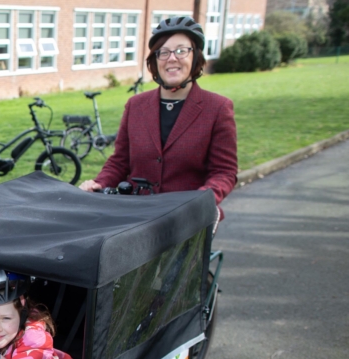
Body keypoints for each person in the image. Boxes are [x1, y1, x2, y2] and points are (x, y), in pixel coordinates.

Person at [78, 17, 238, 226]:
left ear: (195, 57)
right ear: (155, 60)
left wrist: (198, 201)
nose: (172, 58)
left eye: (181, 50)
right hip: (137, 216)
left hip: (187, 221)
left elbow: (224, 172)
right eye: (163, 52)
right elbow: (120, 161)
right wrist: (99, 183)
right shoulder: (136, 105)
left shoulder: (217, 108)